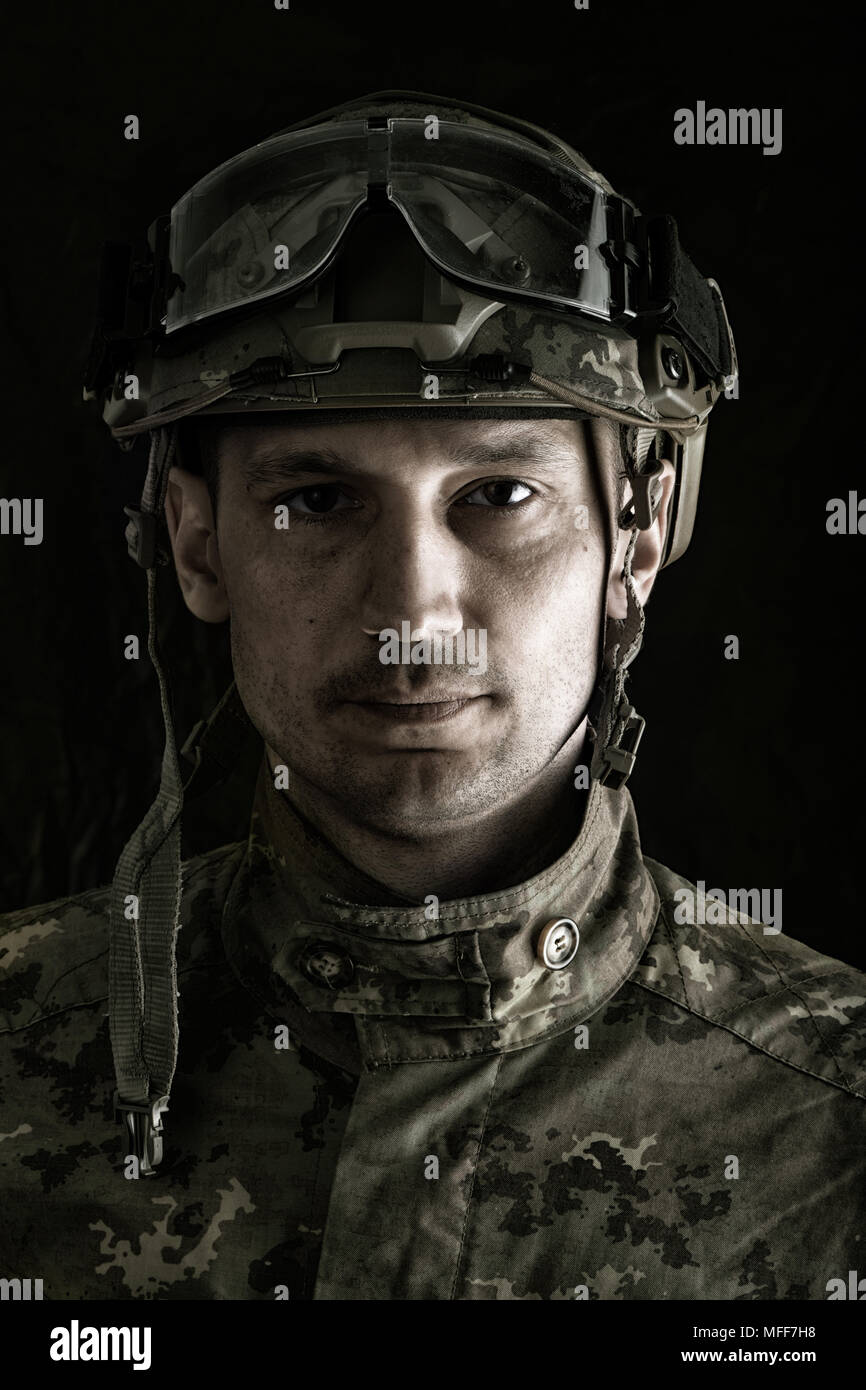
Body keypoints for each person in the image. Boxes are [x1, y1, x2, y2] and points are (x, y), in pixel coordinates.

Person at [1, 90, 862, 1302]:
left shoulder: (832, 1128)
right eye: (316, 498)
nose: (412, 608)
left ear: (633, 536)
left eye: (497, 496)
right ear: (194, 545)